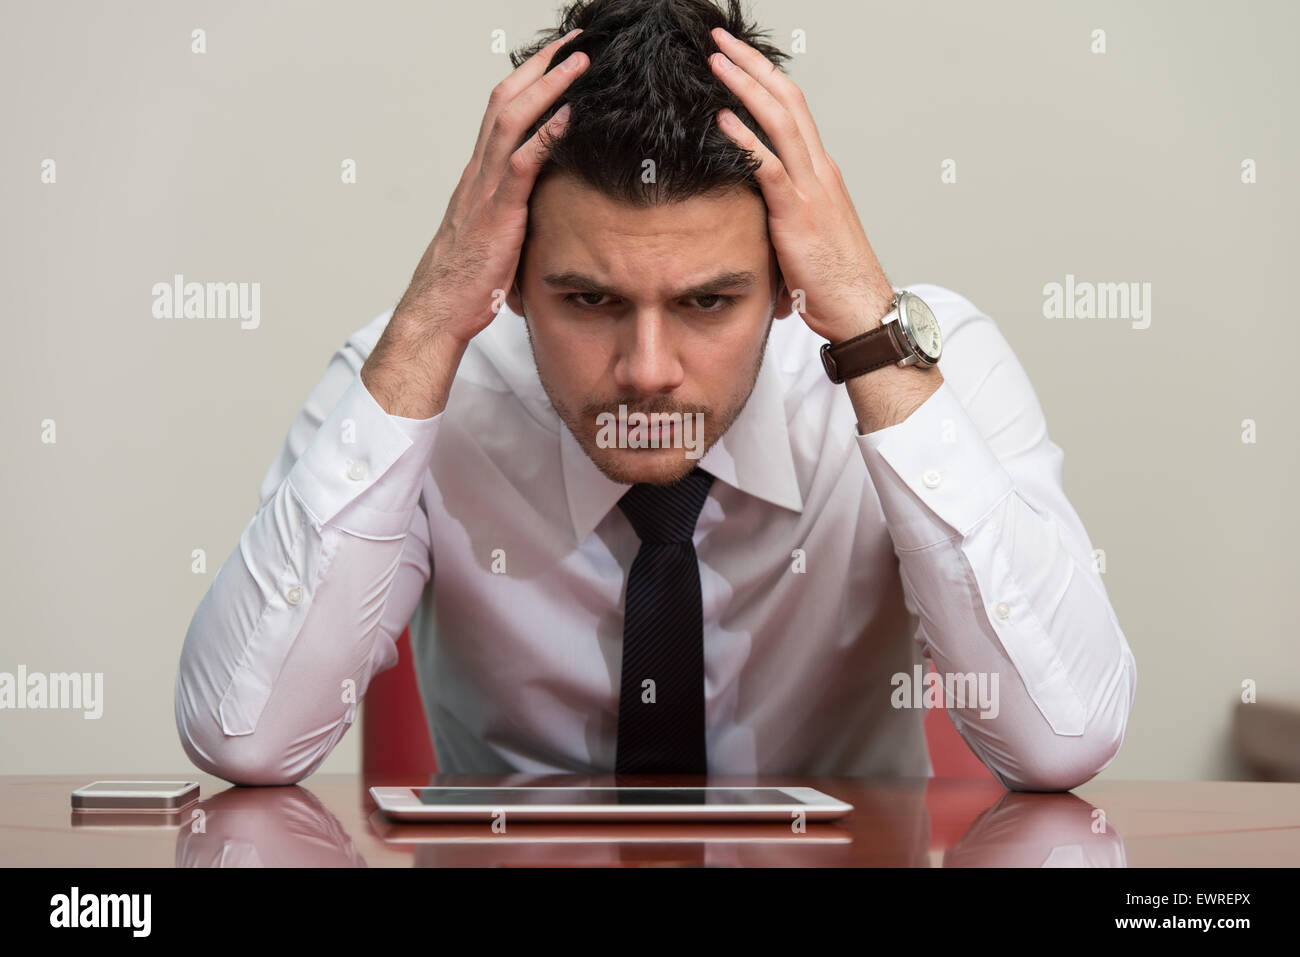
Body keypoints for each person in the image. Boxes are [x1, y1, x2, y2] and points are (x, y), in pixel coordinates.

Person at [174, 0, 1135, 790]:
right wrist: (429, 316)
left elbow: (1066, 739)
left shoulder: (926, 364)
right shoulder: (423, 381)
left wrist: (866, 322)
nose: (646, 369)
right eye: (588, 299)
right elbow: (242, 737)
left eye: (710, 300)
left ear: (789, 282)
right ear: (508, 279)